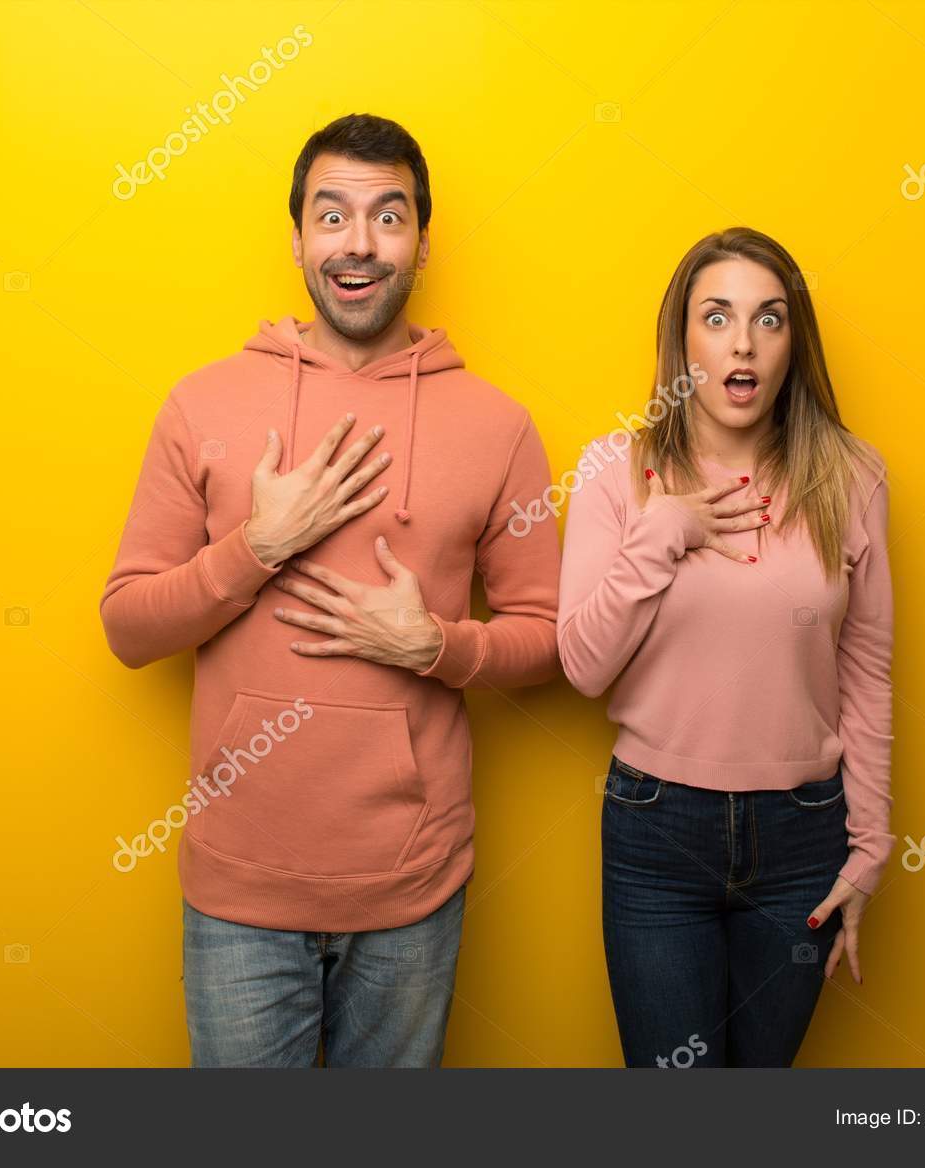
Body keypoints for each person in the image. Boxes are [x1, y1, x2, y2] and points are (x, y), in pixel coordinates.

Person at [100, 113, 561, 1067]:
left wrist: (437, 645)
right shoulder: (203, 402)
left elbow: (550, 638)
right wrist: (257, 546)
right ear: (299, 238)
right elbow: (128, 628)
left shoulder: (499, 426)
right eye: (333, 216)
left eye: (388, 218)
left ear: (422, 244)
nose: (359, 244)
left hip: (410, 895)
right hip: (238, 897)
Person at [557, 227, 895, 1067]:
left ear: (792, 343)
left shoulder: (852, 478)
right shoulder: (614, 472)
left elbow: (868, 669)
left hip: (805, 837)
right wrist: (663, 531)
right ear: (683, 341)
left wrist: (871, 842)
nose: (742, 342)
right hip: (656, 831)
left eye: (768, 319)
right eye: (717, 317)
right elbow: (583, 666)